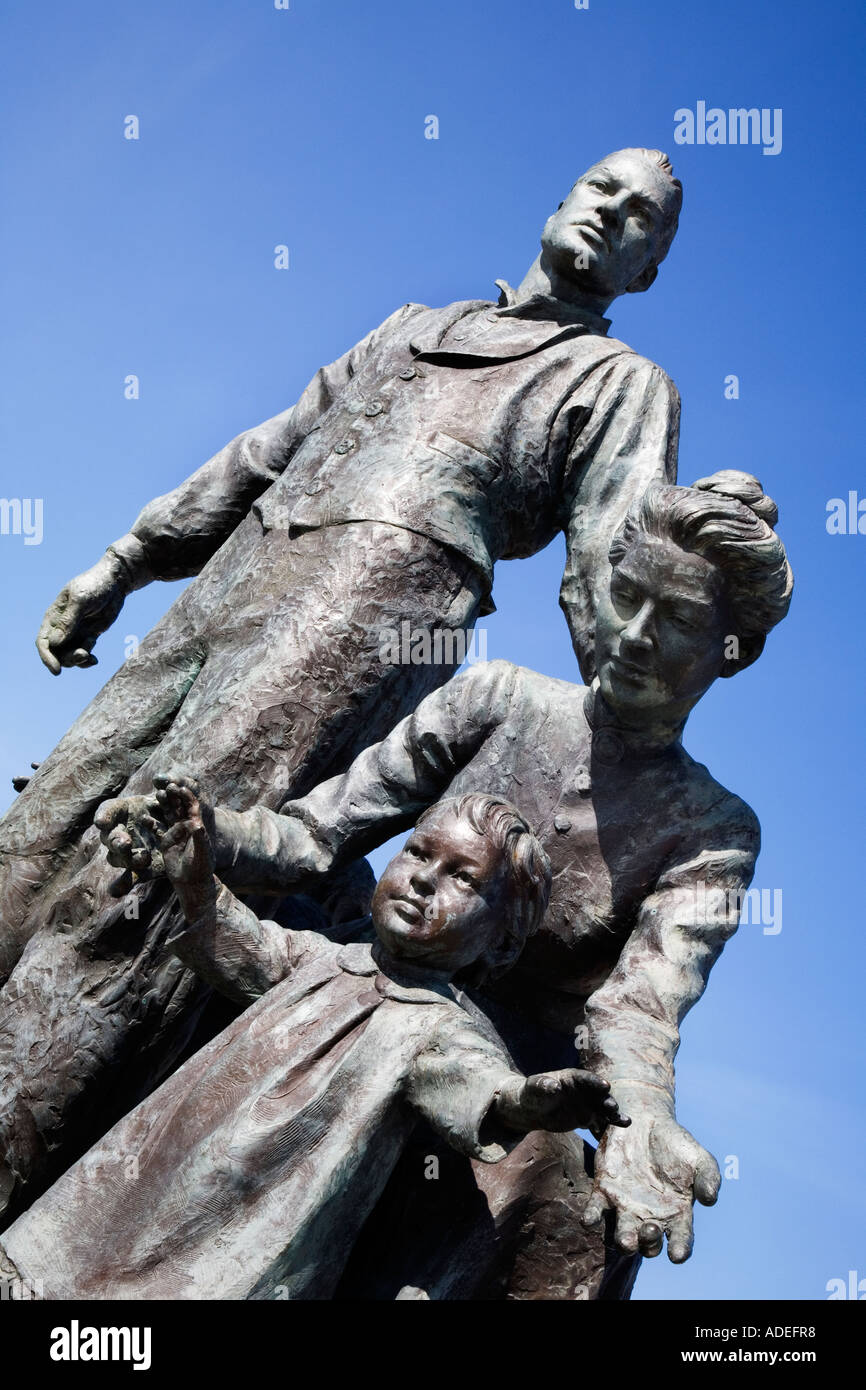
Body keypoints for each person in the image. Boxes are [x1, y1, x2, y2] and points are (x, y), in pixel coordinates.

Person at [0, 146, 683, 1211]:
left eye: (642, 217)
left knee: (148, 867)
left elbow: (611, 569)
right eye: (601, 188)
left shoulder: (617, 384)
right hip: (234, 578)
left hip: (367, 613)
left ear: (646, 273)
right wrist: (124, 562)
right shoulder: (412, 319)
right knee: (48, 821)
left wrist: (634, 727)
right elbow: (260, 452)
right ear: (556, 199)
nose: (612, 213)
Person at [91, 469, 791, 1299]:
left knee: (576, 1218)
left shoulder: (714, 828)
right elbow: (320, 833)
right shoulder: (500, 698)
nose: (635, 635)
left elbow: (642, 1003)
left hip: (508, 1095)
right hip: (365, 1001)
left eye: (677, 619)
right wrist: (206, 828)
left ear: (730, 652)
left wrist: (642, 1121)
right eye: (626, 595)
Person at [0, 788, 627, 1300]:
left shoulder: (442, 1028)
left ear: (502, 943)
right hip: (161, 1164)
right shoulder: (319, 957)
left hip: (263, 1221)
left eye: (463, 879)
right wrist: (194, 874)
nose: (423, 881)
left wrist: (538, 1098)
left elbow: (486, 1091)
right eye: (417, 854)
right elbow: (239, 944)